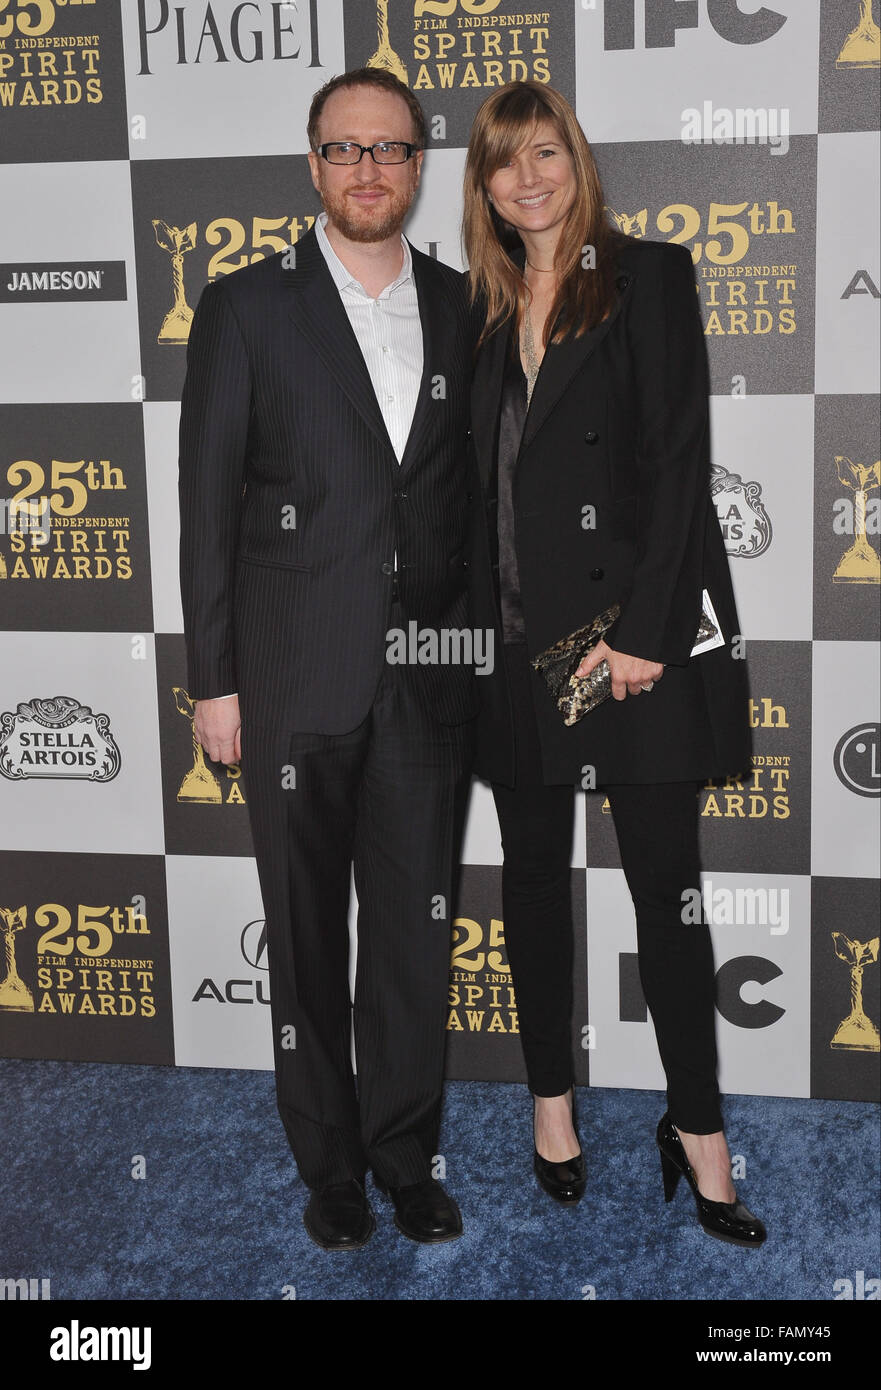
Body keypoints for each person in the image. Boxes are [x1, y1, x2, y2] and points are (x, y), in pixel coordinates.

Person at [462, 80, 766, 1246]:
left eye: (544, 152)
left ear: (575, 161)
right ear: (482, 184)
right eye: (502, 161)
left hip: (626, 644)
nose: (526, 177)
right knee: (533, 882)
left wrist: (643, 631)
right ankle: (553, 1110)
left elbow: (679, 461)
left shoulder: (650, 274)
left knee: (665, 893)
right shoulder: (475, 309)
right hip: (512, 650)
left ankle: (695, 1126)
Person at [178, 68, 477, 1251]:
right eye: (344, 149)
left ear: (416, 167)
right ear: (312, 164)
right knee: (304, 943)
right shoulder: (247, 307)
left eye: (390, 150)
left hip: (427, 683)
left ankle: (405, 1156)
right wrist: (214, 679)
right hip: (294, 677)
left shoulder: (463, 305)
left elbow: (466, 505)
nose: (367, 170)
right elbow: (206, 508)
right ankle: (331, 1167)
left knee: (412, 932)